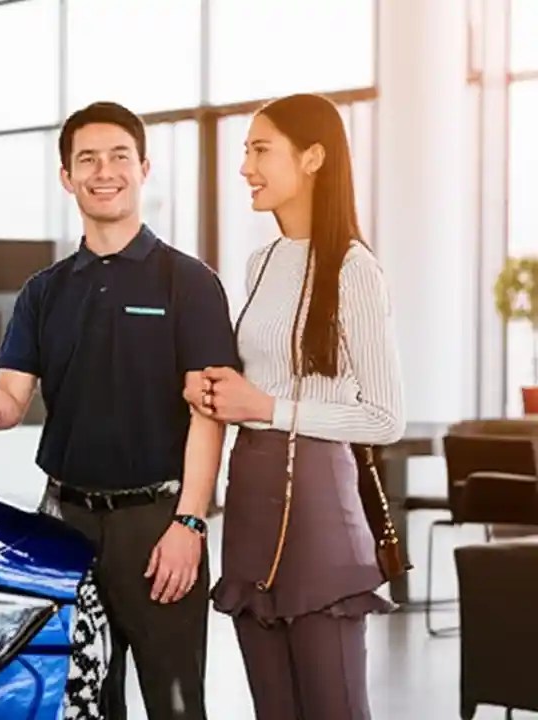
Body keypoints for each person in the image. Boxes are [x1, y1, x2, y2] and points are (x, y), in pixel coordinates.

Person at [0, 101, 238, 720]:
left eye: (118, 157)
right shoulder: (44, 291)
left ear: (143, 168)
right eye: (87, 159)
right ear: (66, 176)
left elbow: (209, 413)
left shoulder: (188, 283)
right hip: (67, 523)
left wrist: (190, 523)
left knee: (175, 702)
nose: (103, 171)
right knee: (82, 703)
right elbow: (11, 398)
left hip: (158, 522)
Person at [184, 93, 405, 719]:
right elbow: (254, 384)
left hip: (317, 512)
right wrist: (215, 389)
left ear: (313, 157)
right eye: (245, 150)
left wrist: (268, 406)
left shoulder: (355, 270)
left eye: (260, 149)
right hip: (251, 503)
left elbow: (385, 417)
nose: (245, 166)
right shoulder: (259, 264)